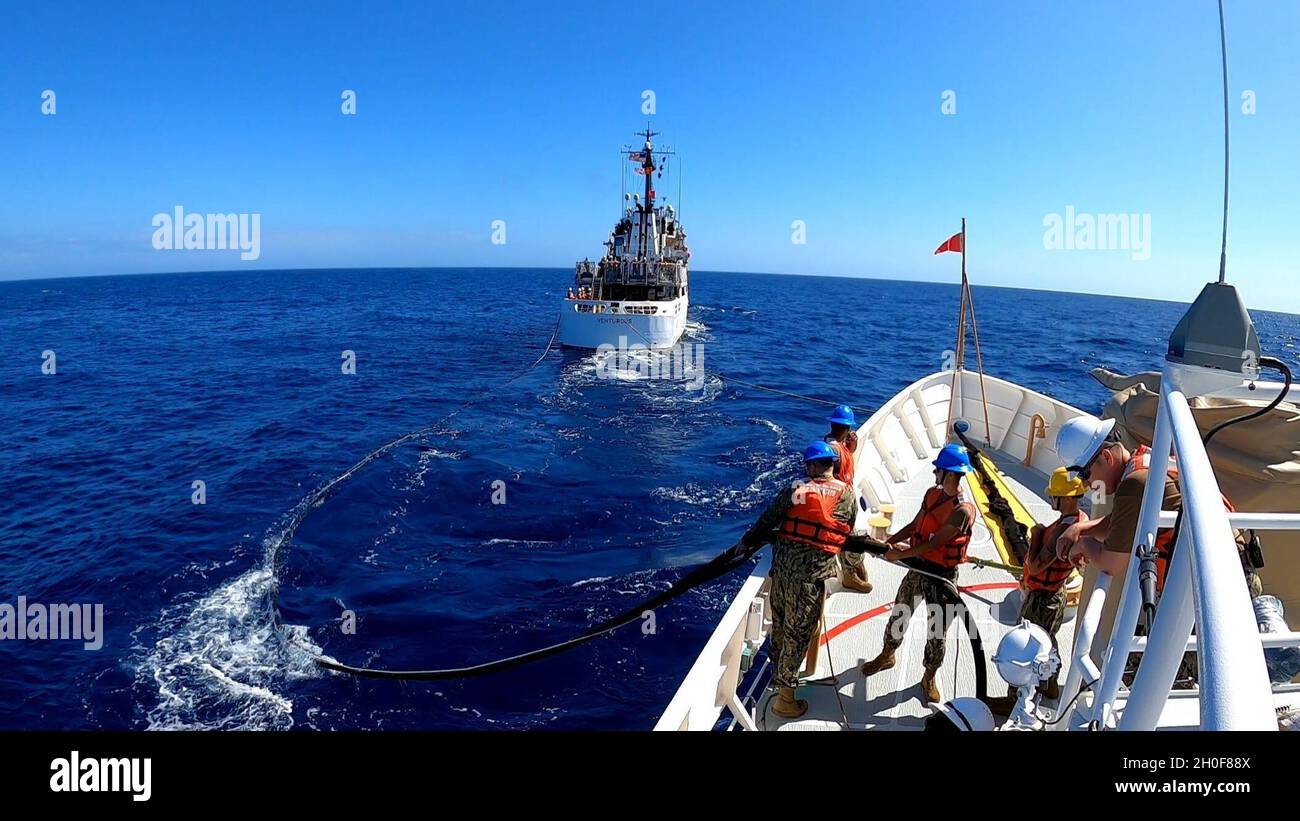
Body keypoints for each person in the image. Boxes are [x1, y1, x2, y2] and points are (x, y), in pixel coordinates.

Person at [1051, 416, 1251, 590]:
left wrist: (1084, 545)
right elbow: (1123, 523)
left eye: (1085, 474)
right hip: (1230, 569)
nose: (1085, 484)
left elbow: (1111, 563)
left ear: (1106, 457)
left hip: (1218, 582)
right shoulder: (1145, 462)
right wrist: (1081, 529)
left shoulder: (1133, 484)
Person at [740, 441, 857, 719]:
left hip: (781, 575)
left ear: (813, 466)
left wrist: (747, 543)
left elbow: (765, 522)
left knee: (780, 627)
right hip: (810, 581)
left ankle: (778, 679)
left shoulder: (795, 490)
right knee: (798, 634)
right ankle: (786, 699)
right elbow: (846, 530)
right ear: (832, 465)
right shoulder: (847, 495)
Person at [860, 443, 976, 704]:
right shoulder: (931, 494)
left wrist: (898, 555)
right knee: (900, 613)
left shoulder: (962, 511)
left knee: (937, 631)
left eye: (938, 469)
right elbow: (915, 526)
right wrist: (892, 540)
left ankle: (929, 676)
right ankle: (888, 654)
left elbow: (936, 544)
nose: (934, 473)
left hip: (942, 577)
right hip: (918, 568)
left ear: (948, 473)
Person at [991, 468, 1086, 708]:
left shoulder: (1061, 532)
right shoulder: (1079, 520)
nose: (1051, 498)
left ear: (1064, 497)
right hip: (1057, 593)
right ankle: (1051, 685)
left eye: (1054, 494)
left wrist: (1036, 535)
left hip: (1043, 598)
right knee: (1048, 639)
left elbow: (1034, 567)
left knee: (1026, 644)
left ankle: (1014, 699)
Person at [826, 404, 872, 594]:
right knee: (848, 537)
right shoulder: (832, 450)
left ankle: (854, 566)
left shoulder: (839, 447)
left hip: (845, 499)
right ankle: (849, 575)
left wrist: (850, 448)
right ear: (846, 428)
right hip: (838, 503)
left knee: (849, 535)